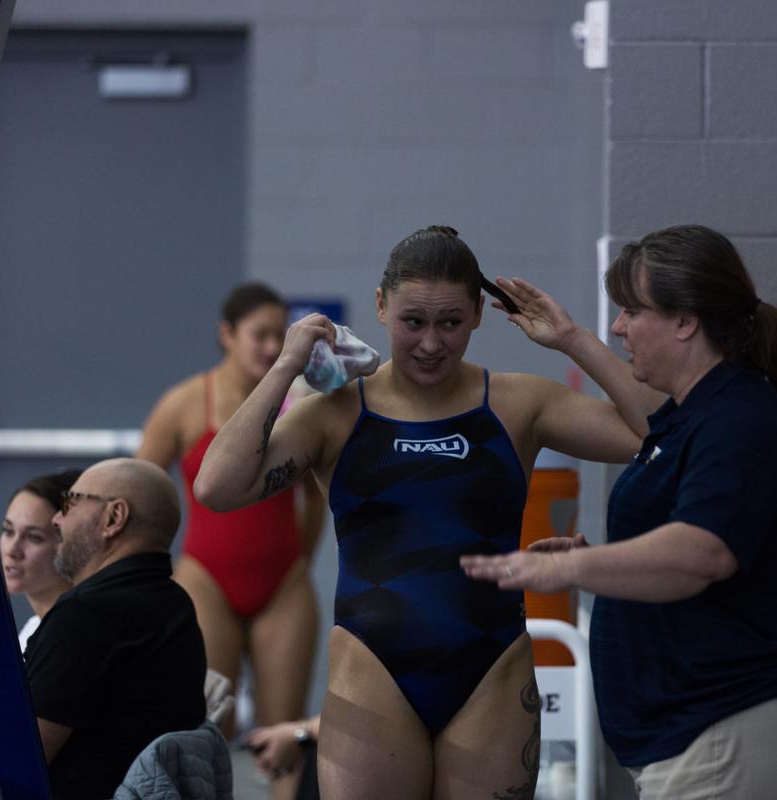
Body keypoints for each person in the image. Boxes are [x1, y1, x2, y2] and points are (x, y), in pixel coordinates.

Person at [194, 225, 644, 799]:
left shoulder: (520, 403)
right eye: (414, 322)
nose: (431, 343)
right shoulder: (335, 414)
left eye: (451, 323)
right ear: (381, 308)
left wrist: (571, 337)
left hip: (493, 672)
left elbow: (658, 434)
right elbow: (215, 489)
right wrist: (284, 367)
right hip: (372, 672)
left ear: (480, 313)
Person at [463, 224, 777, 799]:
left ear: (685, 321)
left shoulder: (736, 421)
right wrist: (570, 339)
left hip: (730, 732)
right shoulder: (697, 416)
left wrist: (569, 571)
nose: (619, 328)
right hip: (698, 738)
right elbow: (653, 432)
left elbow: (703, 552)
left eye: (632, 311)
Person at [137, 283, 324, 782]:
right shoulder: (183, 404)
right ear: (226, 335)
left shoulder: (299, 404)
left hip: (283, 583)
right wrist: (154, 578)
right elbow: (138, 495)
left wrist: (296, 561)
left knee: (285, 739)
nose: (270, 347)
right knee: (203, 731)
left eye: (278, 335)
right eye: (258, 335)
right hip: (204, 581)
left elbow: (315, 497)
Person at [24, 458, 207, 800]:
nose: (56, 518)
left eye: (69, 503)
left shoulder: (86, 616)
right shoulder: (174, 603)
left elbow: (14, 764)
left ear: (113, 518)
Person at [0, 469, 79, 651]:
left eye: (34, 537)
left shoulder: (73, 637)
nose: (12, 550)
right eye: (8, 531)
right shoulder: (33, 627)